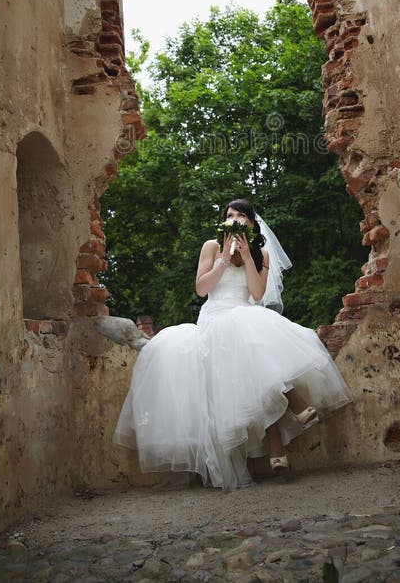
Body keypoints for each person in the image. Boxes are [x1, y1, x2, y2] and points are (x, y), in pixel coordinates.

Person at [113, 199, 351, 490]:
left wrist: (248, 258)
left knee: (249, 345)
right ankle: (291, 409)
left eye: (241, 215)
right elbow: (202, 289)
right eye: (230, 215)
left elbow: (257, 292)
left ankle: (277, 446)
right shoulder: (211, 247)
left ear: (251, 223)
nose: (235, 219)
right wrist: (225, 256)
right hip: (214, 319)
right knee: (242, 332)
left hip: (244, 315)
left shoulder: (260, 253)